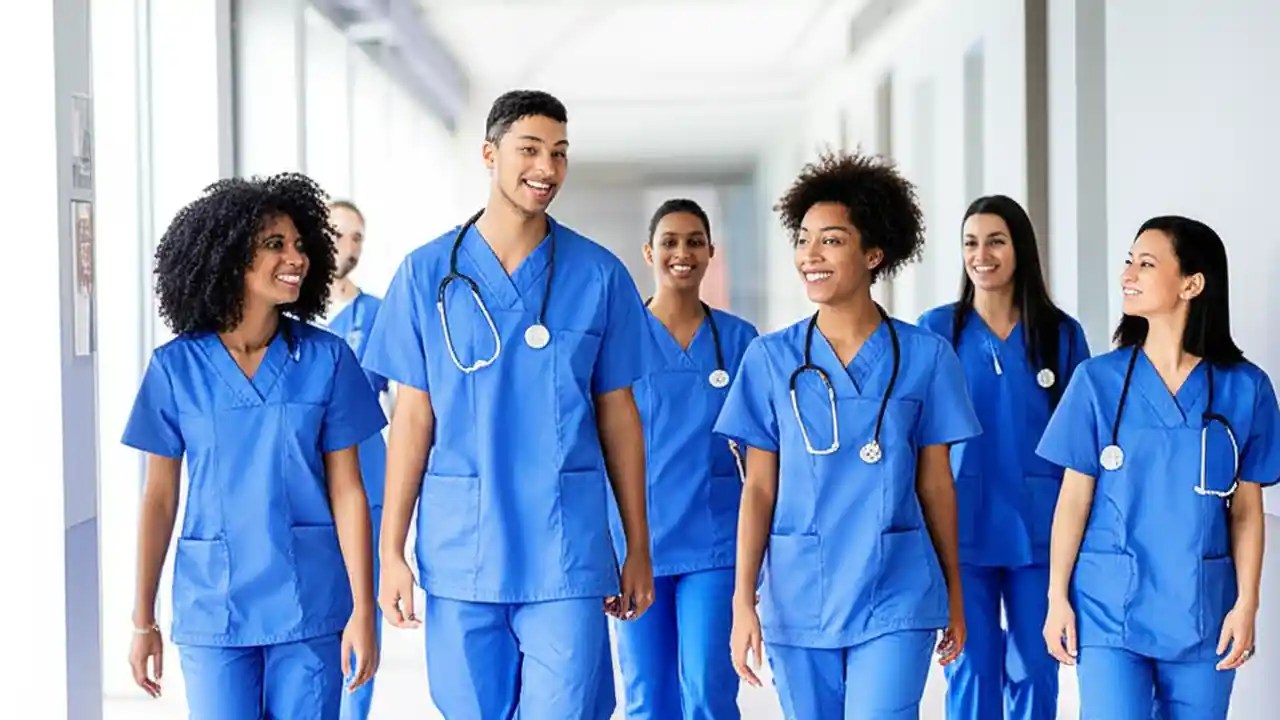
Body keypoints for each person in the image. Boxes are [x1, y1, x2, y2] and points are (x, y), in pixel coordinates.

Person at [362, 89, 655, 720]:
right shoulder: (425, 274)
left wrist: (637, 544)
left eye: (560, 152)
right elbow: (412, 419)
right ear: (489, 154)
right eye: (530, 149)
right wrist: (390, 550)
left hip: (564, 544)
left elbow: (620, 419)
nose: (547, 167)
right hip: (462, 545)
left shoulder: (598, 275)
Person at [714, 150, 980, 719]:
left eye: (831, 240)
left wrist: (954, 594)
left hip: (897, 587)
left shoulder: (927, 357)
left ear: (873, 254)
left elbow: (937, 486)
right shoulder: (769, 359)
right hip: (799, 592)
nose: (810, 254)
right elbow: (758, 488)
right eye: (803, 239)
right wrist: (742, 600)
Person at [123, 173, 384, 719]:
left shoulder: (328, 359)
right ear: (230, 257)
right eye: (275, 245)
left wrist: (364, 608)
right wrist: (142, 618)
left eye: (300, 245)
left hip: (308, 601)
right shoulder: (175, 368)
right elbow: (159, 499)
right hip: (213, 604)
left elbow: (348, 491)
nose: (297, 258)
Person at [1037, 216, 1278, 719]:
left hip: (1202, 608)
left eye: (1146, 264)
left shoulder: (1246, 388)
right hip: (1108, 606)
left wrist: (1247, 605)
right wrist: (1057, 596)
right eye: (1129, 261)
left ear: (1192, 284)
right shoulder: (1097, 381)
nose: (1128, 274)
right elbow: (1073, 501)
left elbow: (1246, 512)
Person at [916, 194, 1090, 720]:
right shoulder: (937, 331)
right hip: (960, 529)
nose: (981, 254)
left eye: (995, 241)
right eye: (970, 243)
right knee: (970, 667)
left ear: (1021, 250)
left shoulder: (1060, 335)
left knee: (1037, 666)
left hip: (1039, 531)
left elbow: (1083, 442)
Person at [608, 198, 758, 719]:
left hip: (714, 545)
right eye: (669, 242)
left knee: (708, 692)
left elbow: (764, 453)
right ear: (648, 252)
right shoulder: (619, 337)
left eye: (695, 242)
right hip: (637, 545)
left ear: (711, 252)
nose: (683, 252)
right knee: (647, 697)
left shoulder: (739, 341)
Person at [316, 199, 391, 720]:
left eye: (358, 237)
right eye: (339, 233)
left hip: (366, 481)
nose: (349, 245)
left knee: (361, 604)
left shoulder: (376, 316)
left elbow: (406, 405)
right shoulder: (287, 316)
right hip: (306, 486)